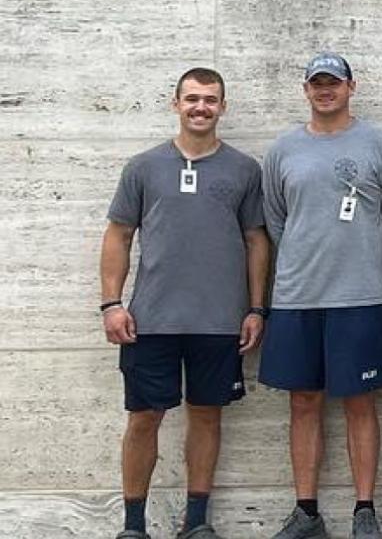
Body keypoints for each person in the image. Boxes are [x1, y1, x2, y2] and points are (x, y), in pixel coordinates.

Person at [100, 67, 267, 539]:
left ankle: (196, 524)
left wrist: (255, 308)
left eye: (210, 99)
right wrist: (111, 303)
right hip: (150, 320)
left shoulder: (243, 169)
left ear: (223, 107)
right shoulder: (143, 167)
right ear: (176, 104)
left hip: (219, 322)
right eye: (192, 98)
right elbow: (119, 233)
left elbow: (256, 240)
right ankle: (133, 526)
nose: (201, 107)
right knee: (144, 417)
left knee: (207, 414)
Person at [259, 53, 382, 539]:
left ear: (351, 86)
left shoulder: (381, 145)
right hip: (296, 296)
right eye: (316, 83)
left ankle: (364, 510)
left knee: (359, 402)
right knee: (303, 402)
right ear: (306, 90)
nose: (325, 90)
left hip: (359, 297)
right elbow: (277, 221)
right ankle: (307, 513)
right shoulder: (283, 150)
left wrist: (361, 261)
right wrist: (309, 259)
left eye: (334, 82)